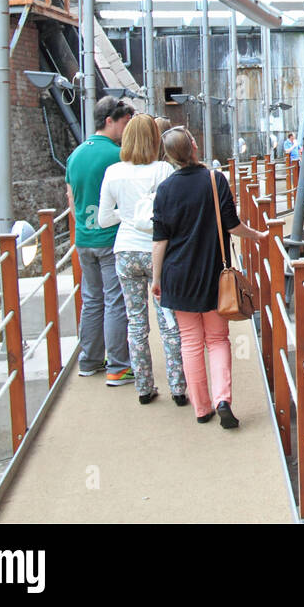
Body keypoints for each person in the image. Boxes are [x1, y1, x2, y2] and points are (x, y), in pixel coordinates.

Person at [151, 127, 266, 428]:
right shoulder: (215, 180)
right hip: (214, 274)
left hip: (177, 275)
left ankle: (201, 408)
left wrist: (155, 278)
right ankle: (223, 399)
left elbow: (159, 240)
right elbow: (232, 225)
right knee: (217, 339)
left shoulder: (164, 190)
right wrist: (256, 235)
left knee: (189, 342)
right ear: (192, 146)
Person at [97, 115, 187, 406]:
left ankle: (144, 387)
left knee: (135, 322)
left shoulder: (112, 172)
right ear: (153, 139)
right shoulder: (162, 170)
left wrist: (129, 217)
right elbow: (171, 212)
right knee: (169, 321)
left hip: (124, 250)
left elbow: (103, 219)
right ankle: (177, 387)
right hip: (157, 251)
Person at [66, 96, 136, 385]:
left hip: (84, 237)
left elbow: (71, 200)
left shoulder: (75, 155)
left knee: (91, 300)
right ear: (110, 120)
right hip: (110, 237)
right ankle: (118, 366)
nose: (126, 129)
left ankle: (89, 360)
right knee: (115, 300)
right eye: (124, 123)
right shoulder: (116, 156)